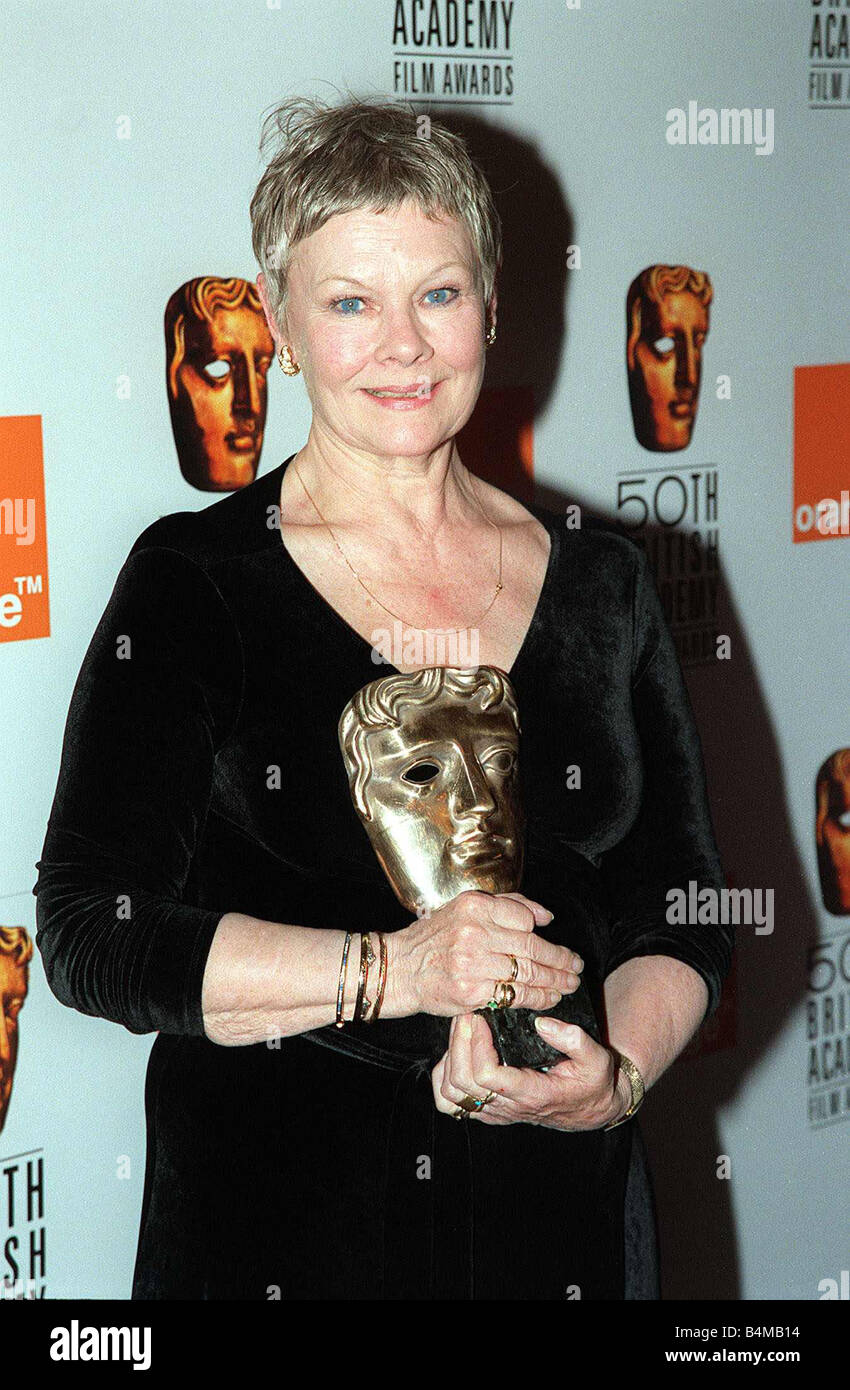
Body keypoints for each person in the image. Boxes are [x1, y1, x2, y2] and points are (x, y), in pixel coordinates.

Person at [34, 96, 734, 1300]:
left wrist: (612, 1076)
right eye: (351, 302)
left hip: (558, 1228)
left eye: (439, 294)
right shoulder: (198, 581)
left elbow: (684, 910)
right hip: (281, 1228)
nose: (403, 347)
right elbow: (92, 933)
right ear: (283, 329)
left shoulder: (603, 582)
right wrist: (400, 971)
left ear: (494, 305)